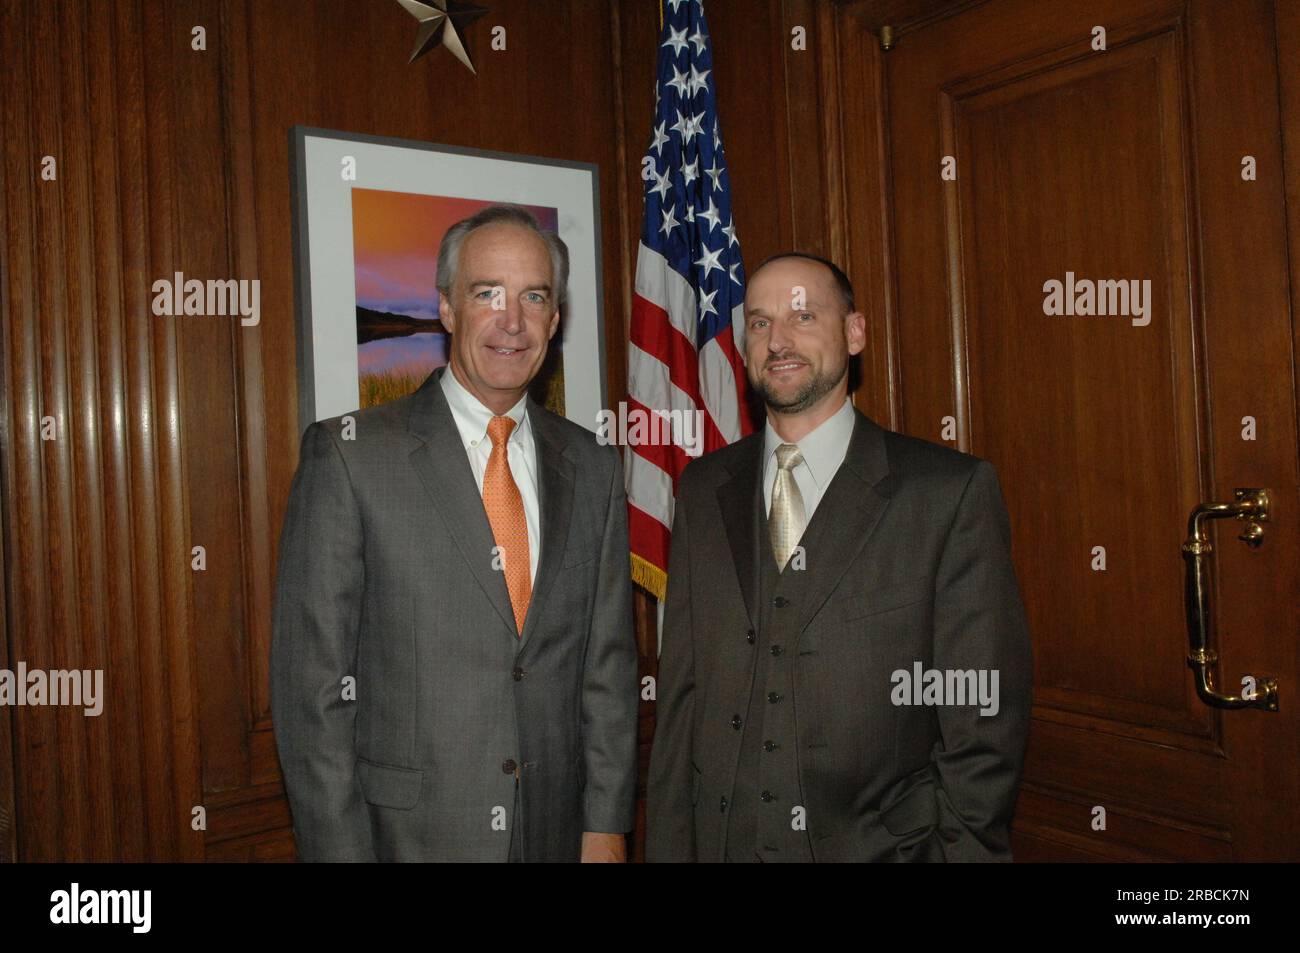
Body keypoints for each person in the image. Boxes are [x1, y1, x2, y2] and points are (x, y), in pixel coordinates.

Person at [271, 204, 637, 862]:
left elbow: (606, 668)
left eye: (534, 296)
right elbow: (313, 694)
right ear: (446, 308)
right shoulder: (351, 457)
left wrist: (605, 825)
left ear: (555, 320)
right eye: (486, 293)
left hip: (555, 836)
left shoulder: (593, 466)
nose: (512, 321)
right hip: (409, 841)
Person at [646, 251, 1033, 862]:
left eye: (803, 316)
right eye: (760, 322)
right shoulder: (702, 488)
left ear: (854, 333)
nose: (779, 341)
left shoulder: (946, 493)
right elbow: (681, 701)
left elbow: (982, 720)